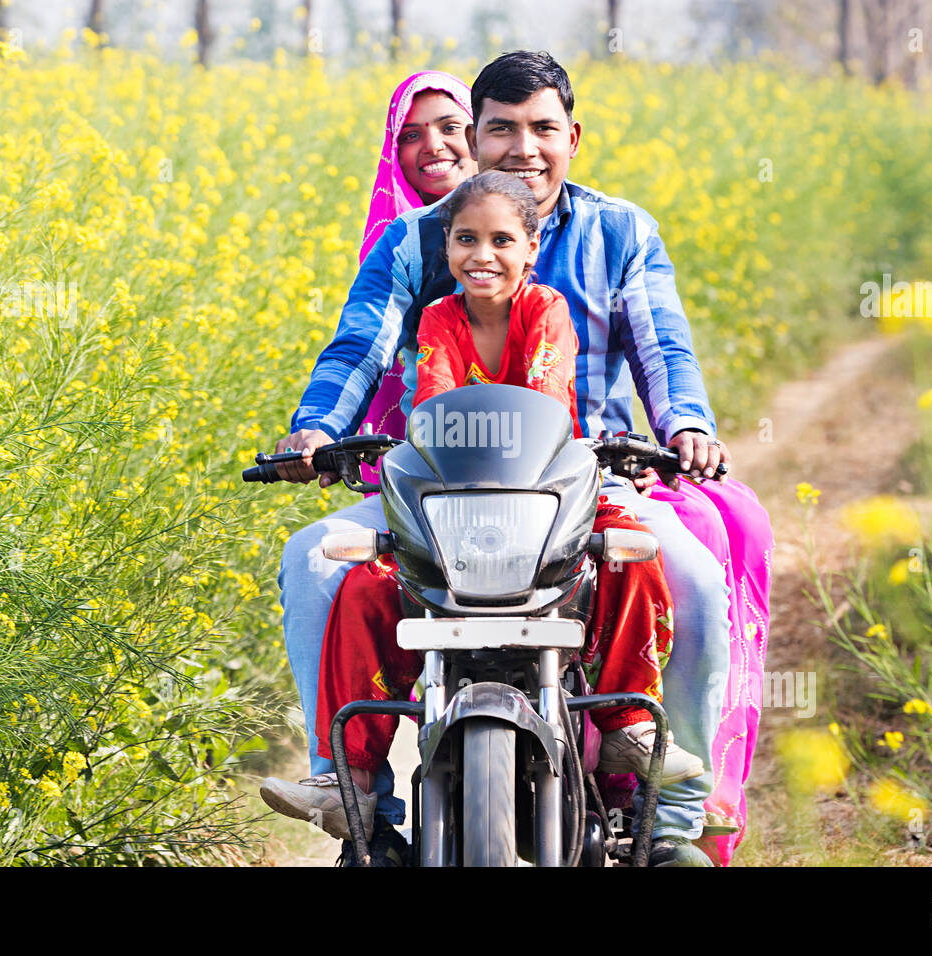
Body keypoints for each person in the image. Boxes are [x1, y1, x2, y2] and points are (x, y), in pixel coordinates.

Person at [271, 52, 772, 868]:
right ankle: (359, 809)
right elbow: (360, 344)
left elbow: (664, 349)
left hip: (586, 479)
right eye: (501, 129)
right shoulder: (419, 240)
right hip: (439, 489)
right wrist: (316, 430)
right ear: (475, 138)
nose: (523, 148)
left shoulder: (622, 231)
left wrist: (684, 425)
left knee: (692, 577)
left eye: (543, 129)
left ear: (572, 137)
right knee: (314, 563)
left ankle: (669, 822)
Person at [260, 171, 702, 841]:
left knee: (630, 556)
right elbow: (434, 410)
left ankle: (629, 727)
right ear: (447, 246)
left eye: (502, 239)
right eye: (466, 239)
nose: (482, 255)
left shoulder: (547, 309)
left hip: (546, 495)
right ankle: (346, 776)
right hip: (450, 505)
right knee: (361, 587)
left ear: (532, 245)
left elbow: (548, 401)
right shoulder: (437, 318)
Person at [356, 71, 476, 485]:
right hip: (429, 471)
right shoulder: (397, 244)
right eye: (410, 135)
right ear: (394, 152)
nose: (433, 146)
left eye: (450, 127)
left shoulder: (543, 230)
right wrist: (319, 425)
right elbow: (361, 348)